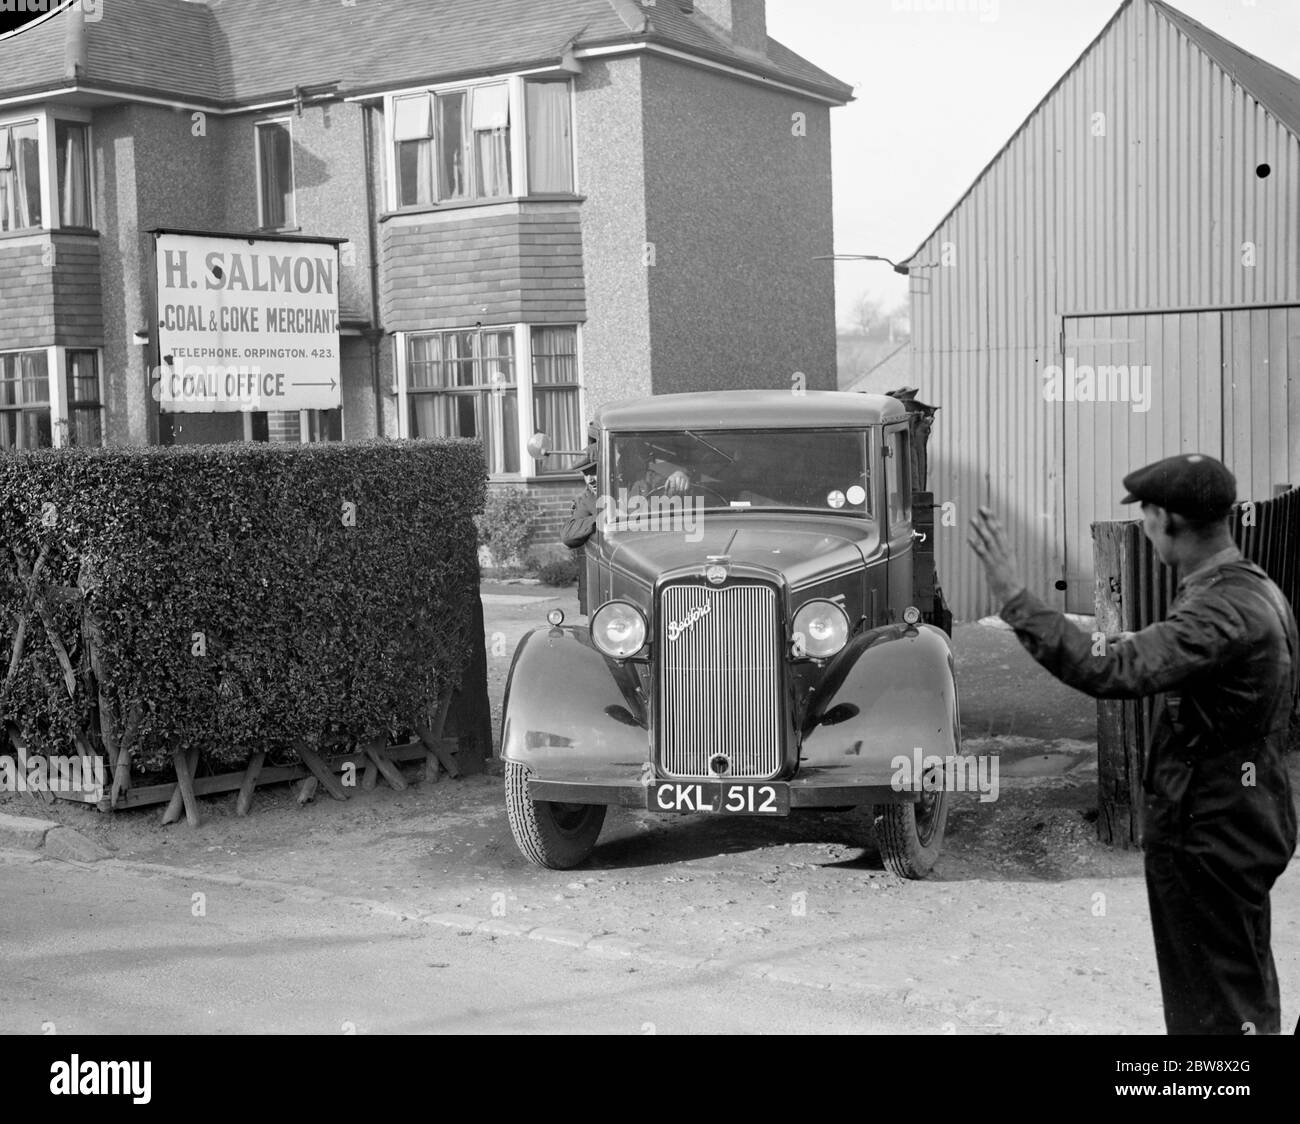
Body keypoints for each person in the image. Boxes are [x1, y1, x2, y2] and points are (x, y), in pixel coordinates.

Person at [968, 453, 1297, 1035]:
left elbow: (1112, 670)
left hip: (1210, 831)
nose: (1145, 527)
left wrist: (1015, 598)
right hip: (1242, 818)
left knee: (1214, 1018)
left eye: (1146, 515)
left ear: (1167, 519)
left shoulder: (1220, 607)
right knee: (1238, 994)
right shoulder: (1251, 589)